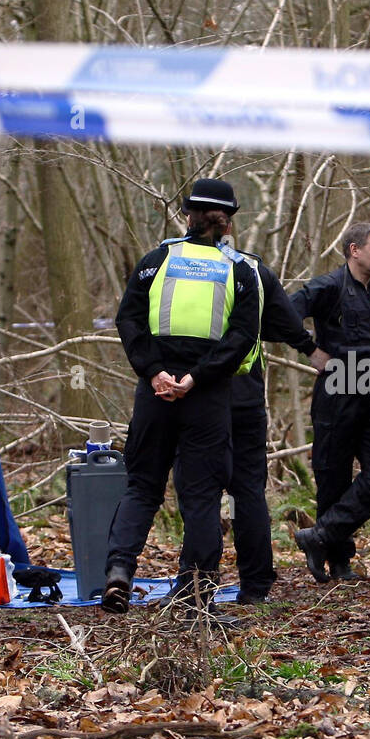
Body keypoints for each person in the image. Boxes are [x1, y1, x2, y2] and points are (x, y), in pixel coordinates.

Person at [101, 178, 259, 617]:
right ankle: (196, 591)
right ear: (226, 223)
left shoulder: (156, 261)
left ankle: (118, 571)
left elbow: (127, 320)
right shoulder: (240, 271)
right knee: (202, 496)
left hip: (155, 395)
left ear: (187, 217)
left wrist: (154, 372)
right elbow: (243, 337)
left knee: (143, 485)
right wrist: (195, 378)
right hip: (206, 397)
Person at [223, 239, 328, 604]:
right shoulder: (251, 270)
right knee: (247, 489)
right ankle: (256, 582)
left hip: (191, 396)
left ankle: (195, 583)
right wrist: (310, 348)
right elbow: (286, 319)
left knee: (200, 491)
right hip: (244, 394)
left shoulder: (169, 263)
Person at [289, 222, 370, 583]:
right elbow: (282, 313)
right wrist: (310, 350)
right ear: (354, 250)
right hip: (336, 392)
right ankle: (338, 561)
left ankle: (321, 536)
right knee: (332, 477)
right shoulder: (327, 286)